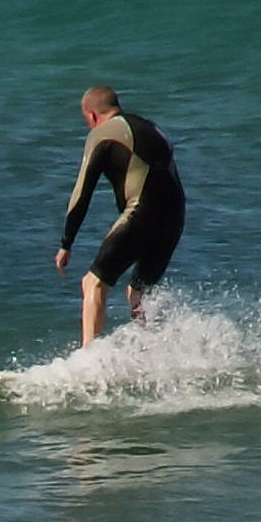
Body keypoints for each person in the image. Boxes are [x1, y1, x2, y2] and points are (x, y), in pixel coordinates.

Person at [54, 85, 186, 345]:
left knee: (94, 283)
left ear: (92, 115)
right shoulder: (151, 128)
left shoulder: (103, 133)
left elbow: (82, 192)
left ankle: (88, 360)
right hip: (176, 216)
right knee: (139, 293)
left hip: (142, 212)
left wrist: (66, 243)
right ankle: (159, 354)